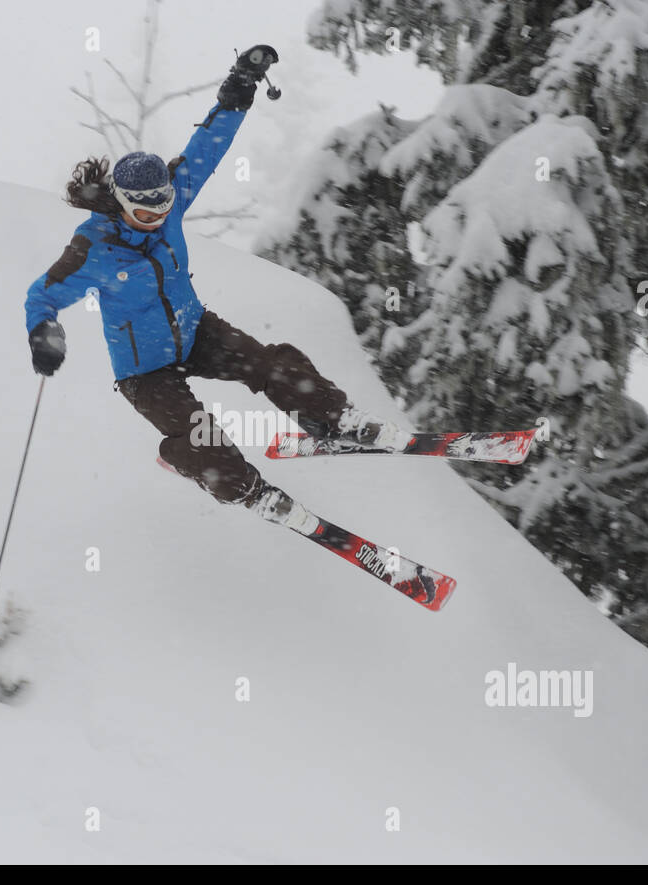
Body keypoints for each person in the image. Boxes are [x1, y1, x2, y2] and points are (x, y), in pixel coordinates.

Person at [24, 45, 407, 531]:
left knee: (271, 365)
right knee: (201, 434)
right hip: (144, 372)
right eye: (145, 214)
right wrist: (44, 333)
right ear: (120, 204)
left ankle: (335, 420)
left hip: (195, 330)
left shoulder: (169, 204)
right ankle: (244, 487)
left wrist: (240, 86)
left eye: (163, 207)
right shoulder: (92, 247)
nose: (156, 221)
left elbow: (209, 145)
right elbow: (43, 294)